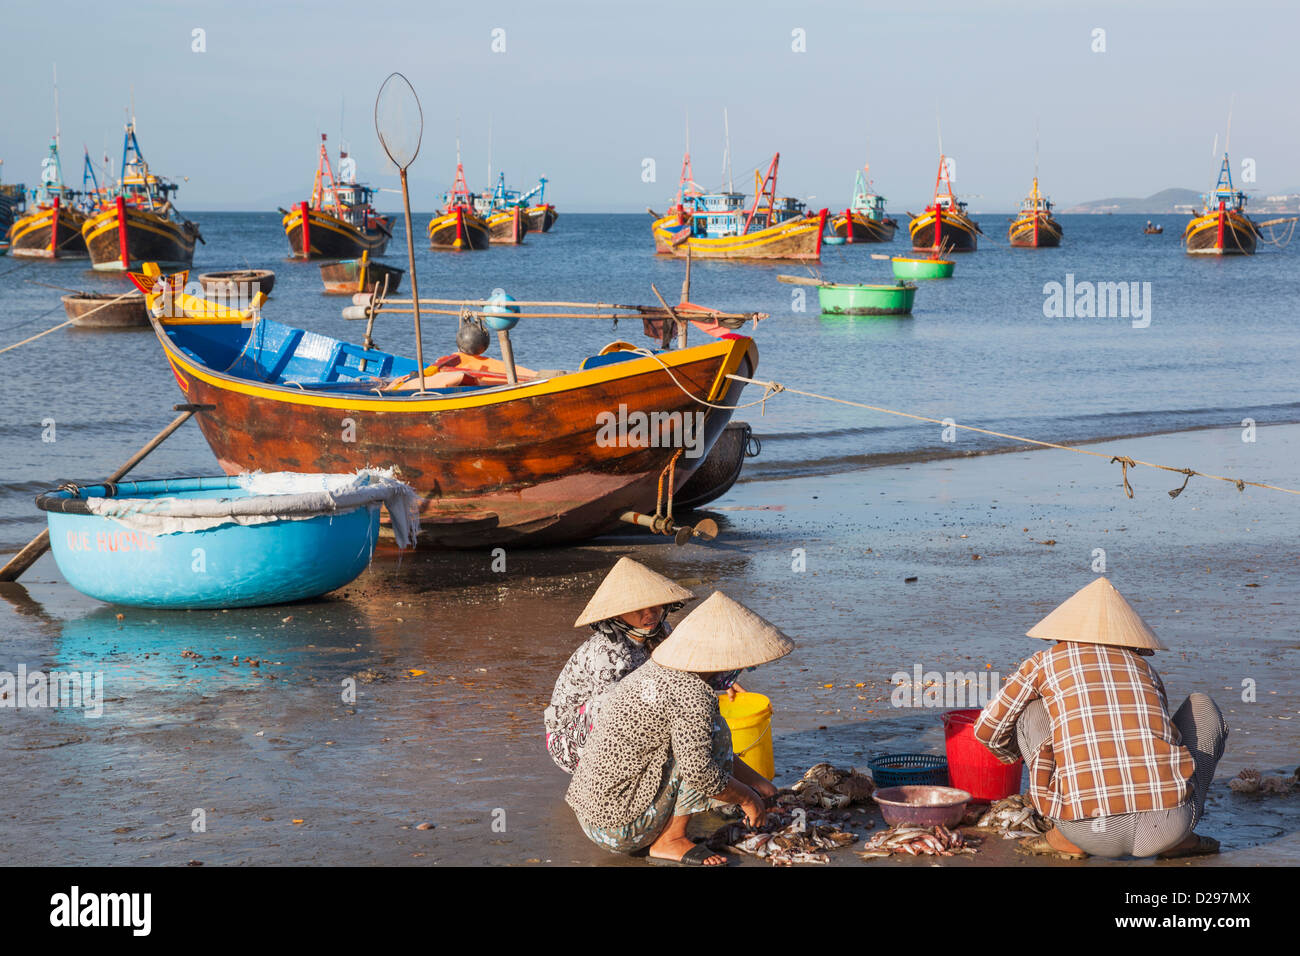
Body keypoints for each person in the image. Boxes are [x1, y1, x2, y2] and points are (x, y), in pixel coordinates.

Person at [974, 577, 1227, 860]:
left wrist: (1015, 756)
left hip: (1084, 829)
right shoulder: (1144, 668)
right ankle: (1180, 840)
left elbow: (987, 730)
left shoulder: (1044, 662)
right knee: (1202, 705)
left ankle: (1063, 836)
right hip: (1168, 826)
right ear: (1131, 639)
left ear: (1063, 632)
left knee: (1030, 711)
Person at [565, 591, 793, 865]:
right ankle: (670, 839)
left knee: (703, 736)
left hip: (594, 813)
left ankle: (673, 829)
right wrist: (749, 800)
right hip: (615, 828)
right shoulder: (692, 693)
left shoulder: (661, 668)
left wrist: (760, 787)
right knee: (714, 733)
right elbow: (699, 771)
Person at [544, 557, 693, 774]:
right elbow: (617, 712)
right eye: (638, 610)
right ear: (617, 615)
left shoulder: (660, 631)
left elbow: (682, 665)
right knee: (617, 703)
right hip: (571, 739)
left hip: (631, 718)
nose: (650, 614)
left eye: (654, 606)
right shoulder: (607, 650)